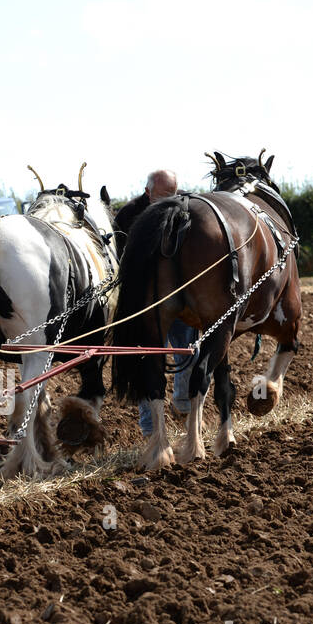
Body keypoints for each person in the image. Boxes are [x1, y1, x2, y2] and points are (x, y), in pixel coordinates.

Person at [115, 170, 198, 436]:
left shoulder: (189, 210)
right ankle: (150, 427)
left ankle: (183, 401)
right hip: (146, 302)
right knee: (147, 359)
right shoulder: (128, 215)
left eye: (170, 197)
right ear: (148, 192)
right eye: (161, 197)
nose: (166, 203)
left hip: (181, 298)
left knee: (189, 349)